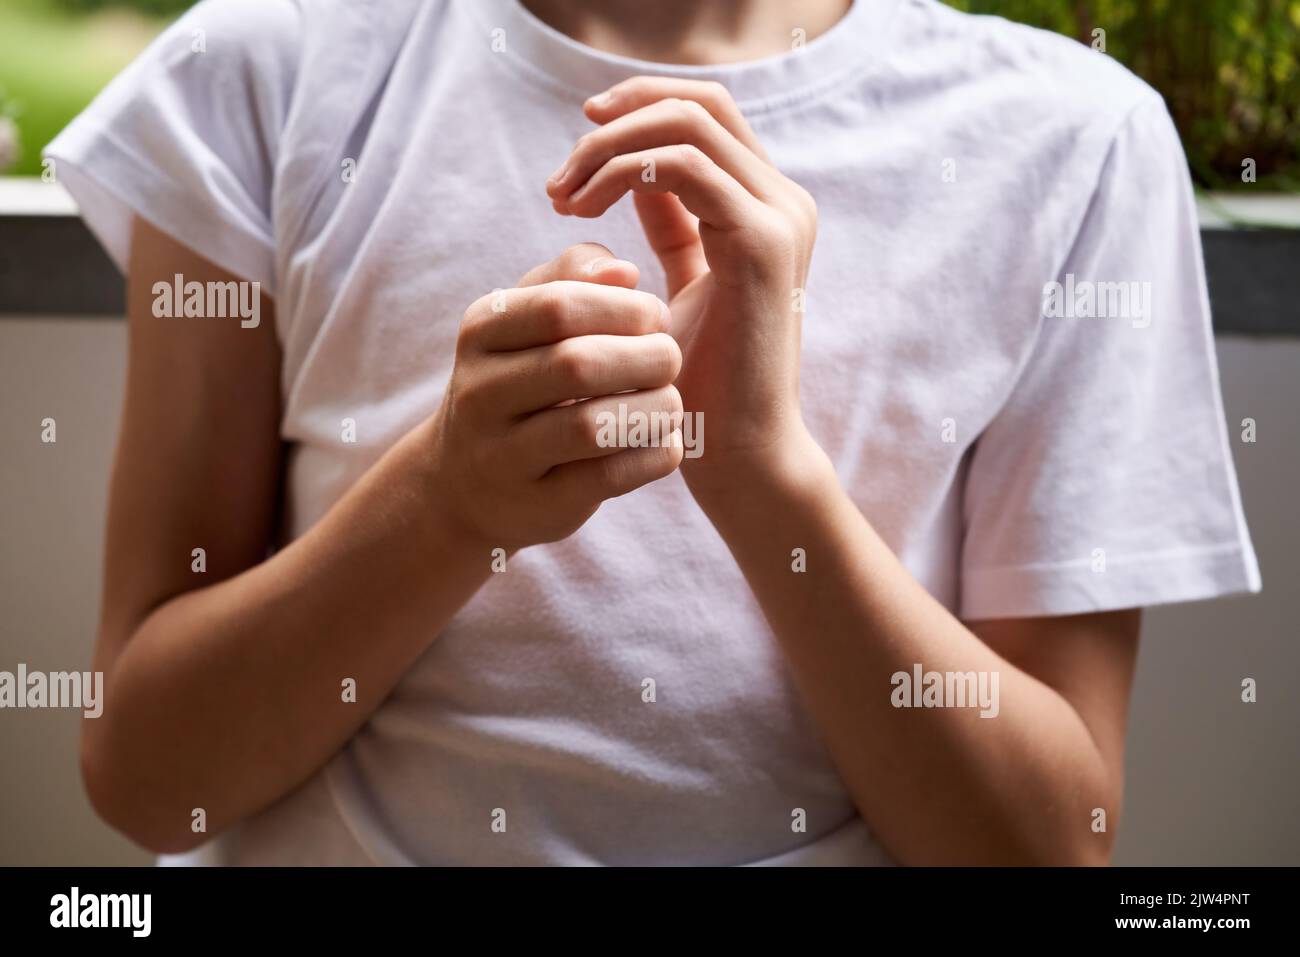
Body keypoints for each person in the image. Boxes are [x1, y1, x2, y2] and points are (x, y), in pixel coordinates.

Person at [46, 0, 1260, 866]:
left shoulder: (1075, 139)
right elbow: (152, 781)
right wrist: (445, 503)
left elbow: (1050, 849)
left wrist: (767, 480)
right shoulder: (263, 67)